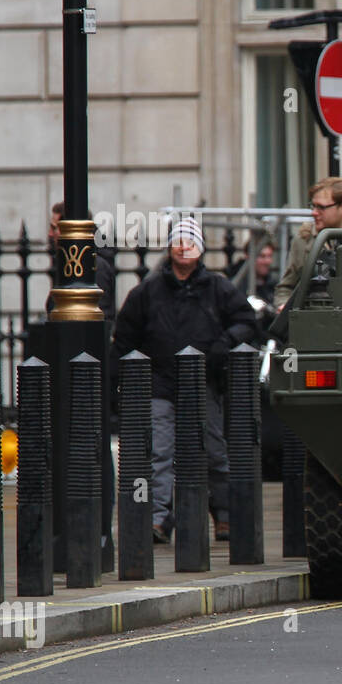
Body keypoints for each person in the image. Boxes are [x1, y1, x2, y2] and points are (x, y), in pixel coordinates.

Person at [112, 218, 256, 544]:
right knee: (159, 452)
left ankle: (224, 515)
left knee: (214, 450)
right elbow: (124, 337)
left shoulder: (219, 288)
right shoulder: (148, 290)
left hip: (204, 380)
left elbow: (247, 322)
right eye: (179, 241)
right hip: (160, 381)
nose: (183, 247)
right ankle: (159, 519)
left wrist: (222, 344)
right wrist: (114, 383)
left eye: (190, 241)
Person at [274, 177, 342, 311]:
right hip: (313, 320)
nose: (314, 212)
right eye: (313, 206)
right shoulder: (303, 239)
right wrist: (283, 305)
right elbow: (286, 287)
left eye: (321, 207)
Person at [46, 200, 116, 321]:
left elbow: (98, 316)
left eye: (54, 228)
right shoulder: (71, 264)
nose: (50, 234)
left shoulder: (94, 266)